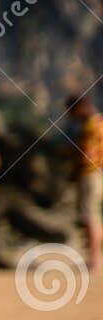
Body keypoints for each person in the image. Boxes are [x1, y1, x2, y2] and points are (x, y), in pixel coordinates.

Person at [68, 93, 103, 271]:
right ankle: (93, 258)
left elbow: (87, 155)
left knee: (91, 217)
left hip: (90, 175)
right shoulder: (96, 124)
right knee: (89, 216)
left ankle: (96, 260)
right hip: (93, 175)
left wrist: (75, 169)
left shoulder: (93, 126)